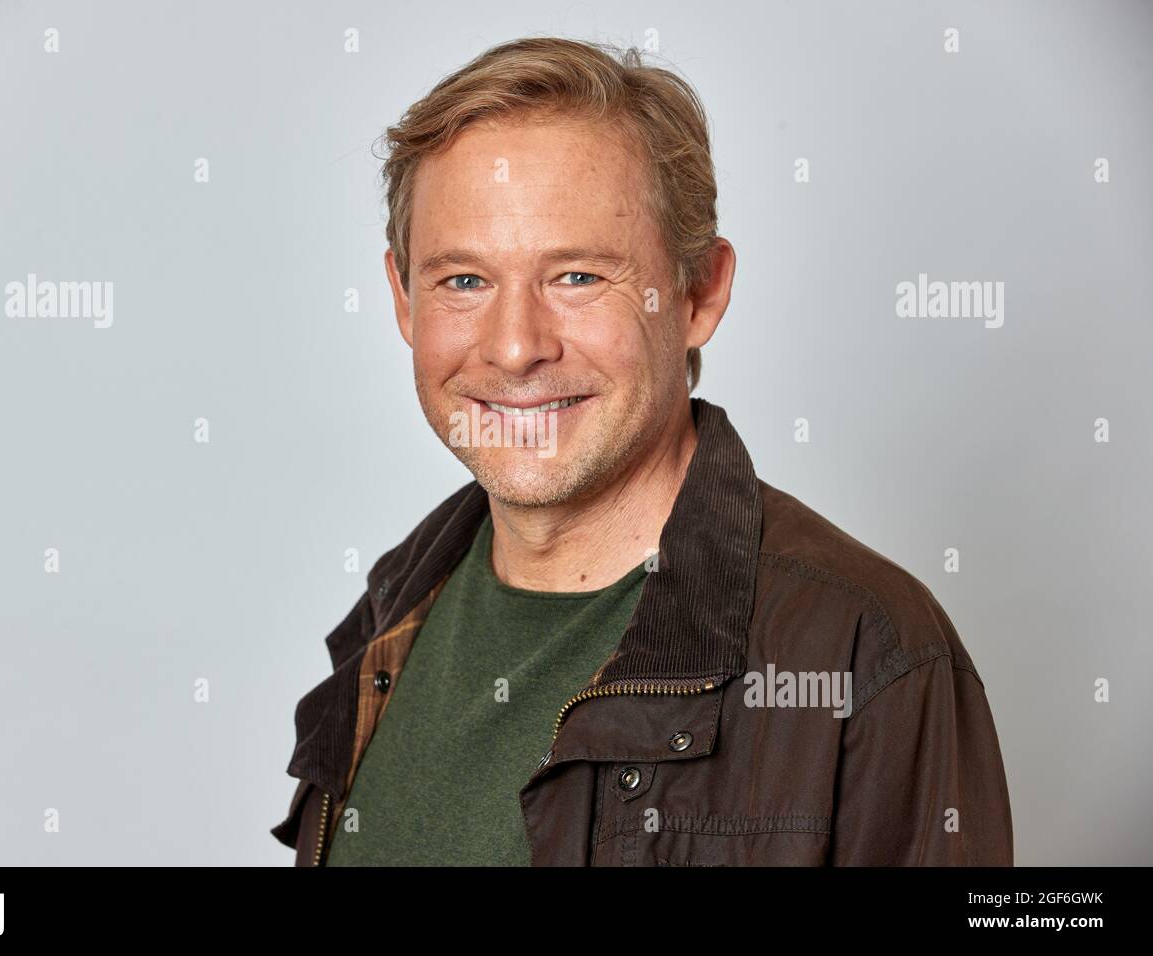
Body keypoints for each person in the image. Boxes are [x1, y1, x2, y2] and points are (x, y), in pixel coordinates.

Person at [272, 36, 1012, 866]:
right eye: (464, 281)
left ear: (700, 294)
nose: (515, 348)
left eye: (579, 277)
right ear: (404, 300)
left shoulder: (866, 654)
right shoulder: (392, 609)